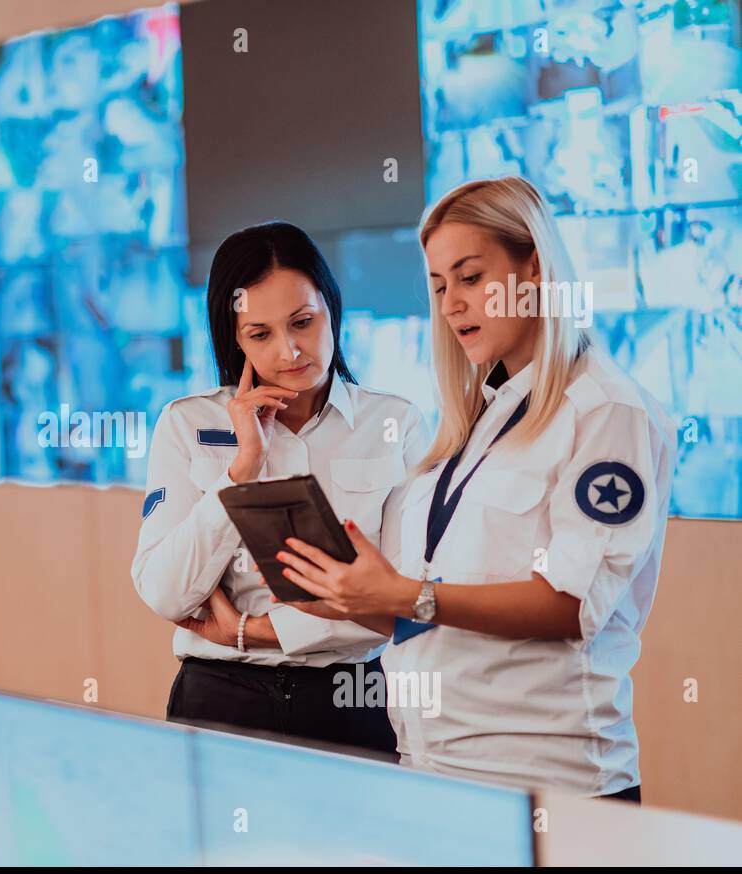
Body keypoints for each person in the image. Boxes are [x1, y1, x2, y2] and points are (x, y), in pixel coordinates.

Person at [273, 176, 676, 800]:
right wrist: (360, 599)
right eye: (438, 287)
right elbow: (442, 613)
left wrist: (409, 593)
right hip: (438, 772)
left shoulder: (606, 411)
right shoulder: (482, 418)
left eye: (469, 277)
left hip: (549, 787)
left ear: (534, 269)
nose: (452, 304)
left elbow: (571, 606)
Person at [131, 221, 429, 755]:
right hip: (219, 699)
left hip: (352, 697)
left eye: (303, 322)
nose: (289, 351)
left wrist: (252, 630)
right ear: (234, 339)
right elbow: (165, 592)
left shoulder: (395, 423)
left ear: (331, 309)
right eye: (260, 334)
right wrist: (241, 469)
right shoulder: (187, 425)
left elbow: (405, 603)